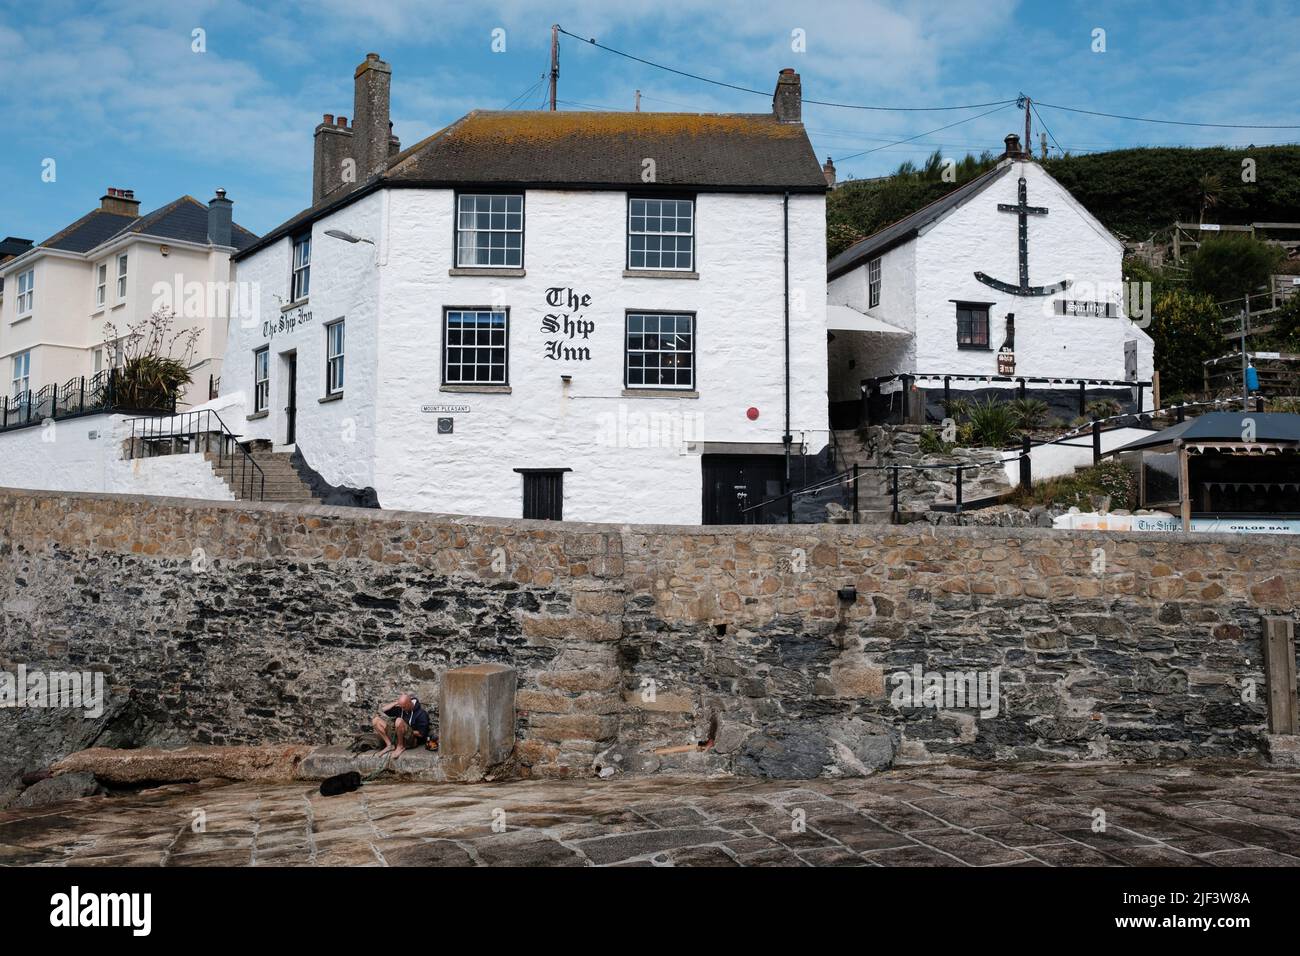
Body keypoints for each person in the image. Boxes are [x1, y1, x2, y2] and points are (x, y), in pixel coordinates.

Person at [371, 693, 430, 760]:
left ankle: (400, 747)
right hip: (397, 737)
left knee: (399, 721)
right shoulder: (401, 709)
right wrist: (397, 703)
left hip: (410, 740)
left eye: (404, 707)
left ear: (409, 703)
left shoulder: (421, 714)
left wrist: (403, 731)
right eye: (401, 706)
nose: (402, 709)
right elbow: (383, 710)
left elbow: (422, 734)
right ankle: (389, 745)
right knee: (376, 720)